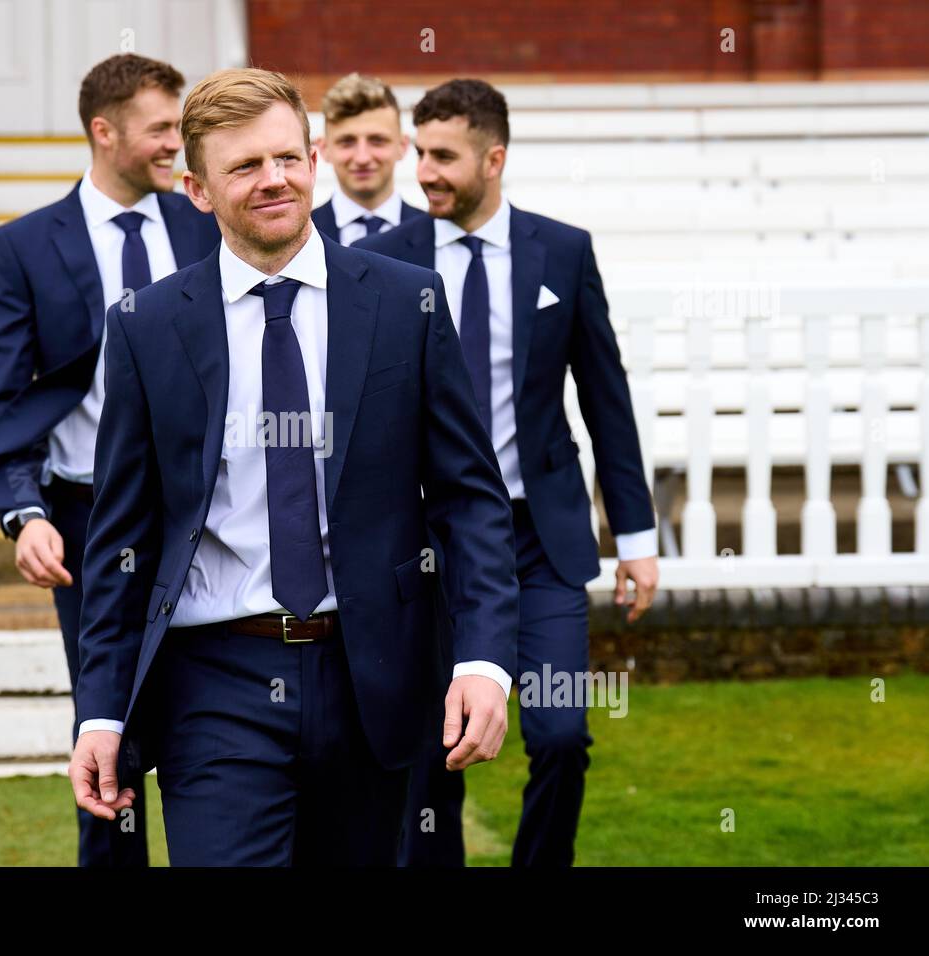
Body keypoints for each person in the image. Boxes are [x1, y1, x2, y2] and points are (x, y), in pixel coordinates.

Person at [67, 67, 521, 866]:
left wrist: (483, 658)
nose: (273, 180)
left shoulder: (404, 303)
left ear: (313, 159)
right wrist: (100, 712)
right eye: (243, 166)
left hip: (371, 668)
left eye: (285, 158)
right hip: (214, 683)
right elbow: (120, 538)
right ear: (198, 190)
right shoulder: (145, 328)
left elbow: (468, 497)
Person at [356, 78, 660, 867]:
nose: (423, 170)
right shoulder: (380, 262)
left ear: (495, 158)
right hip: (426, 543)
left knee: (561, 733)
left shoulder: (562, 251)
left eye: (443, 156)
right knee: (431, 753)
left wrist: (636, 535)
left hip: (541, 541)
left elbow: (606, 397)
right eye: (419, 152)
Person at [0, 53, 218, 868]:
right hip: (86, 522)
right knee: (110, 730)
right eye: (160, 130)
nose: (176, 147)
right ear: (103, 132)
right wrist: (24, 514)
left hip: (205, 512)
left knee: (215, 715)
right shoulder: (25, 246)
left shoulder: (203, 220)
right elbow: (0, 405)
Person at [310, 73, 426, 245]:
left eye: (377, 140)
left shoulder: (433, 233)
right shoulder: (302, 235)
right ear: (324, 149)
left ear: (402, 146)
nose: (362, 158)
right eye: (347, 142)